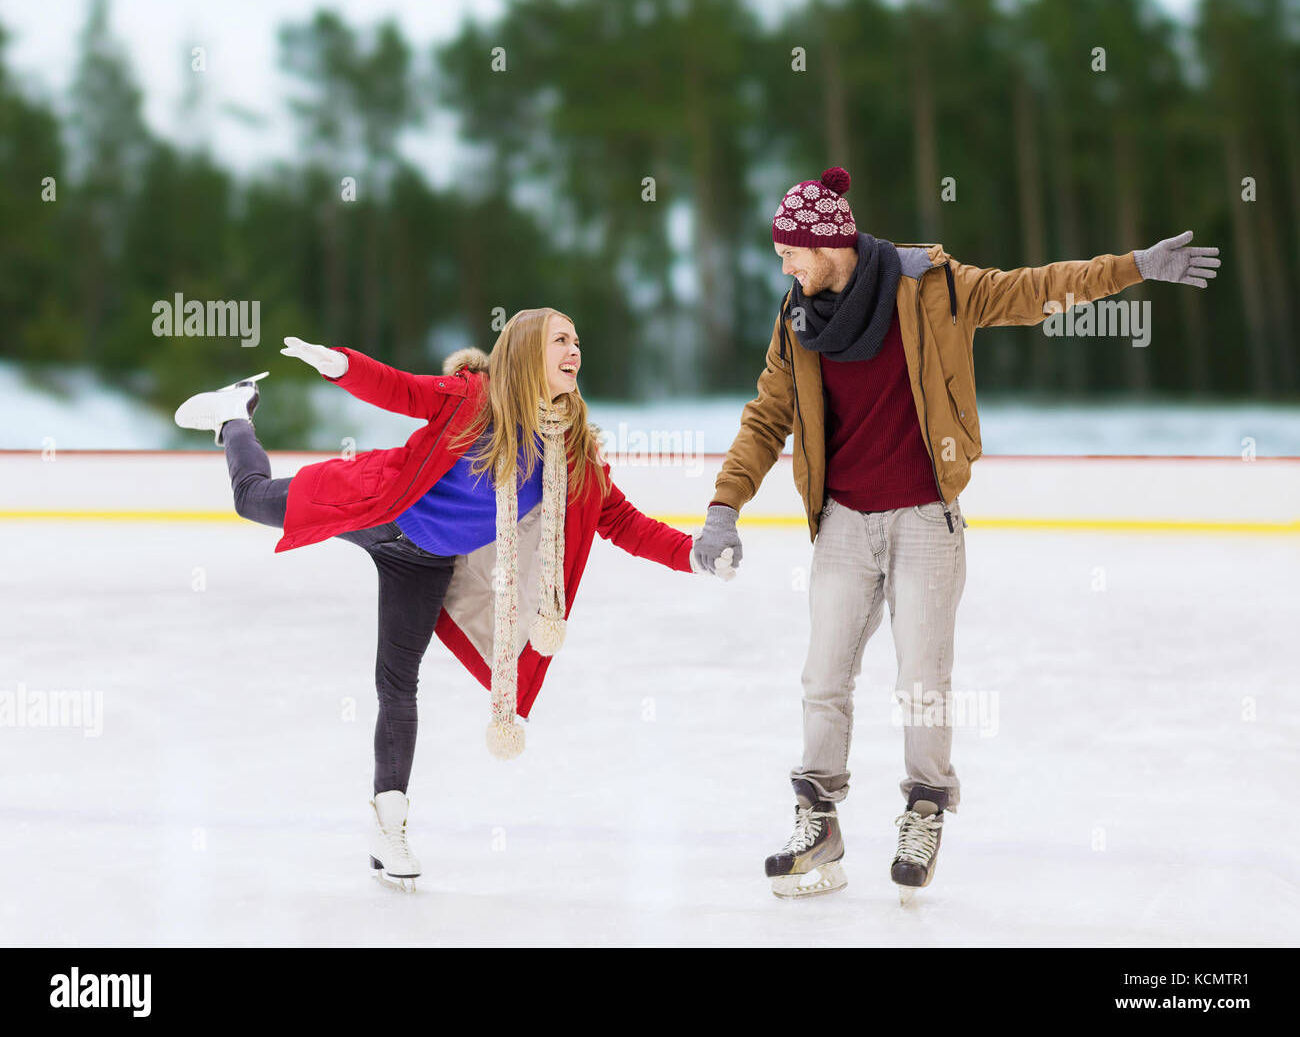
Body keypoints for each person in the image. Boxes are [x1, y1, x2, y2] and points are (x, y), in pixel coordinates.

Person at [688, 166, 1219, 901]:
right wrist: (724, 506)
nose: (784, 264)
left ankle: (925, 806)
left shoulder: (929, 286)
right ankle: (818, 816)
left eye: (792, 251)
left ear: (830, 243)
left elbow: (1033, 291)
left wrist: (1133, 269)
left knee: (922, 682)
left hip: (924, 518)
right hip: (843, 520)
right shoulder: (797, 319)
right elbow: (766, 416)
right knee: (823, 677)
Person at [174, 307, 734, 891]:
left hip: (422, 562)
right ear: (524, 353)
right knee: (252, 499)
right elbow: (401, 390)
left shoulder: (571, 454)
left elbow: (621, 520)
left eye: (577, 341)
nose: (575, 351)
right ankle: (233, 414)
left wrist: (691, 552)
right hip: (377, 504)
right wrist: (339, 364)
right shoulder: (472, 399)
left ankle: (387, 824)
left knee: (396, 682)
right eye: (561, 340)